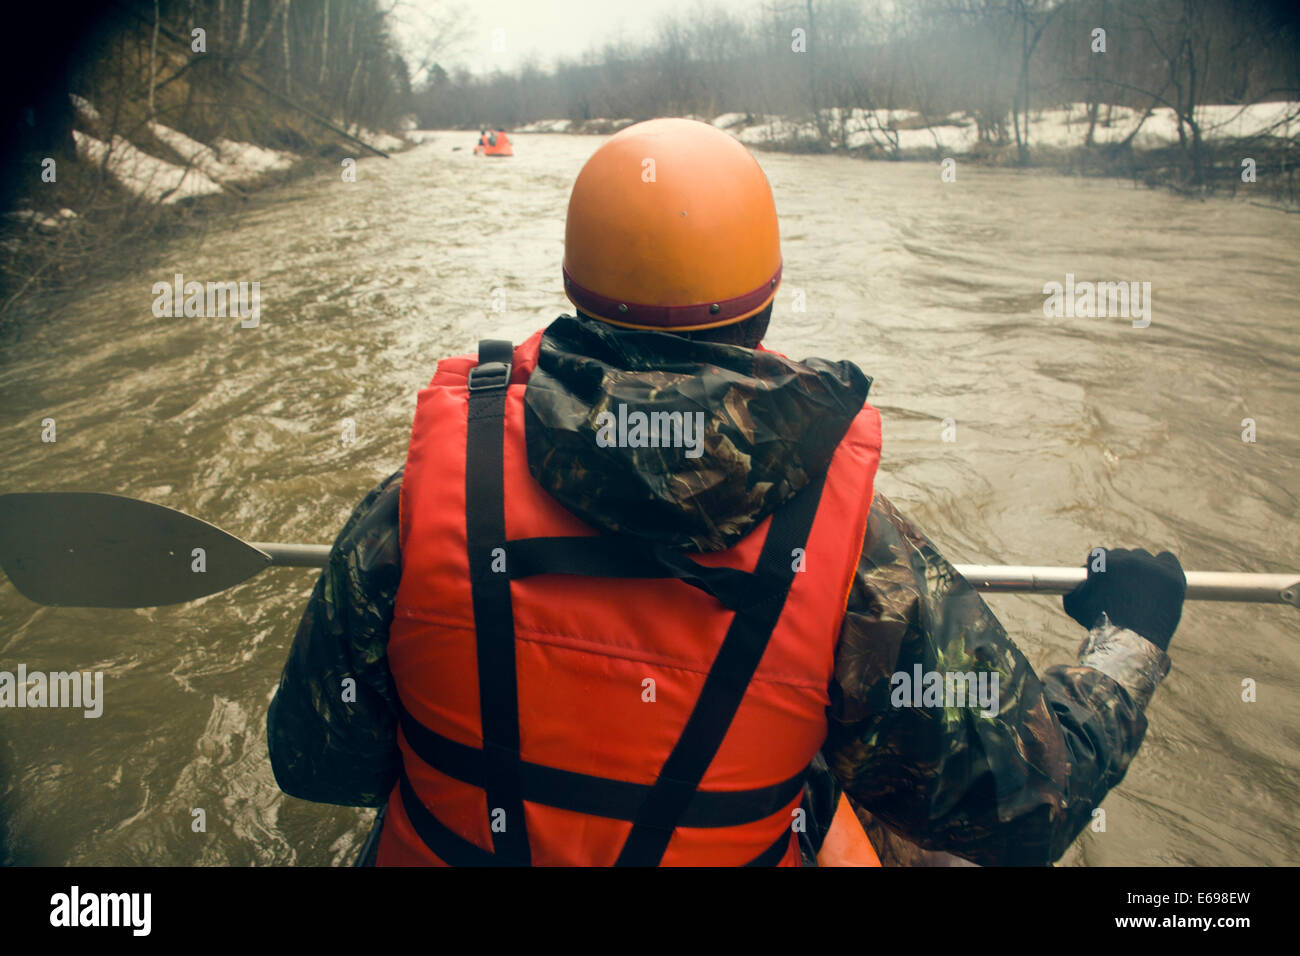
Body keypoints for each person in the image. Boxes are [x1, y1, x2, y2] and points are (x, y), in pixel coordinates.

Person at [267, 118, 1186, 866]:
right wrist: (1128, 644)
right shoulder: (861, 554)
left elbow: (314, 758)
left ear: (570, 289)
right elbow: (1025, 805)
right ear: (768, 301)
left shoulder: (417, 503)